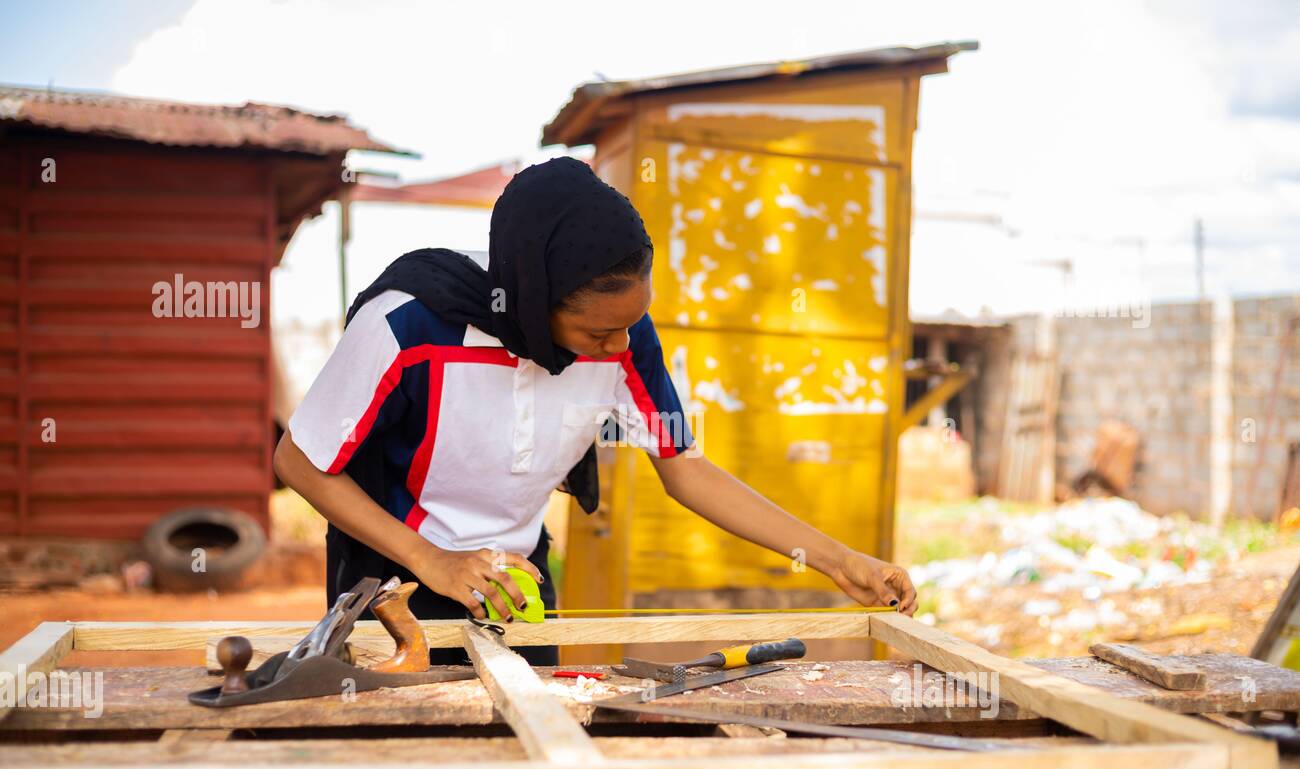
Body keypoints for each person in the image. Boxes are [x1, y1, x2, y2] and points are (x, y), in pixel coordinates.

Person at [274, 157, 916, 665]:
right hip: (396, 590)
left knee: (528, 767)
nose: (620, 347)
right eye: (597, 333)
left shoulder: (625, 338)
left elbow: (685, 467)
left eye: (631, 325)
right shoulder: (408, 328)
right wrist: (433, 561)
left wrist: (839, 560)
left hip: (516, 587)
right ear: (531, 300)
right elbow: (299, 461)